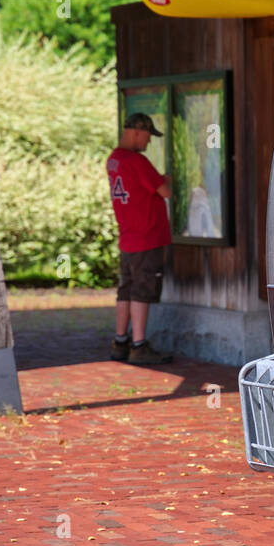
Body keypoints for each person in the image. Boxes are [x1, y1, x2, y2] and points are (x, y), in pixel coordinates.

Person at [107, 112, 173, 365]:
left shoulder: (114, 160)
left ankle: (120, 341)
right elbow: (164, 191)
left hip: (128, 237)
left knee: (126, 289)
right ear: (136, 132)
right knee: (142, 291)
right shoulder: (137, 161)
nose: (149, 142)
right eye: (147, 136)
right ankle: (139, 345)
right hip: (147, 237)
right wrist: (168, 179)